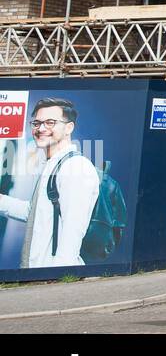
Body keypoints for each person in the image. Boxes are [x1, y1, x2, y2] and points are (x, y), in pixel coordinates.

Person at [0, 98, 99, 269]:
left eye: (50, 122)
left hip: (51, 275)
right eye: (37, 123)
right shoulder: (53, 165)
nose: (41, 128)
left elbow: (73, 230)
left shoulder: (75, 167)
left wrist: (59, 277)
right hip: (37, 273)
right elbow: (34, 213)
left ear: (69, 127)